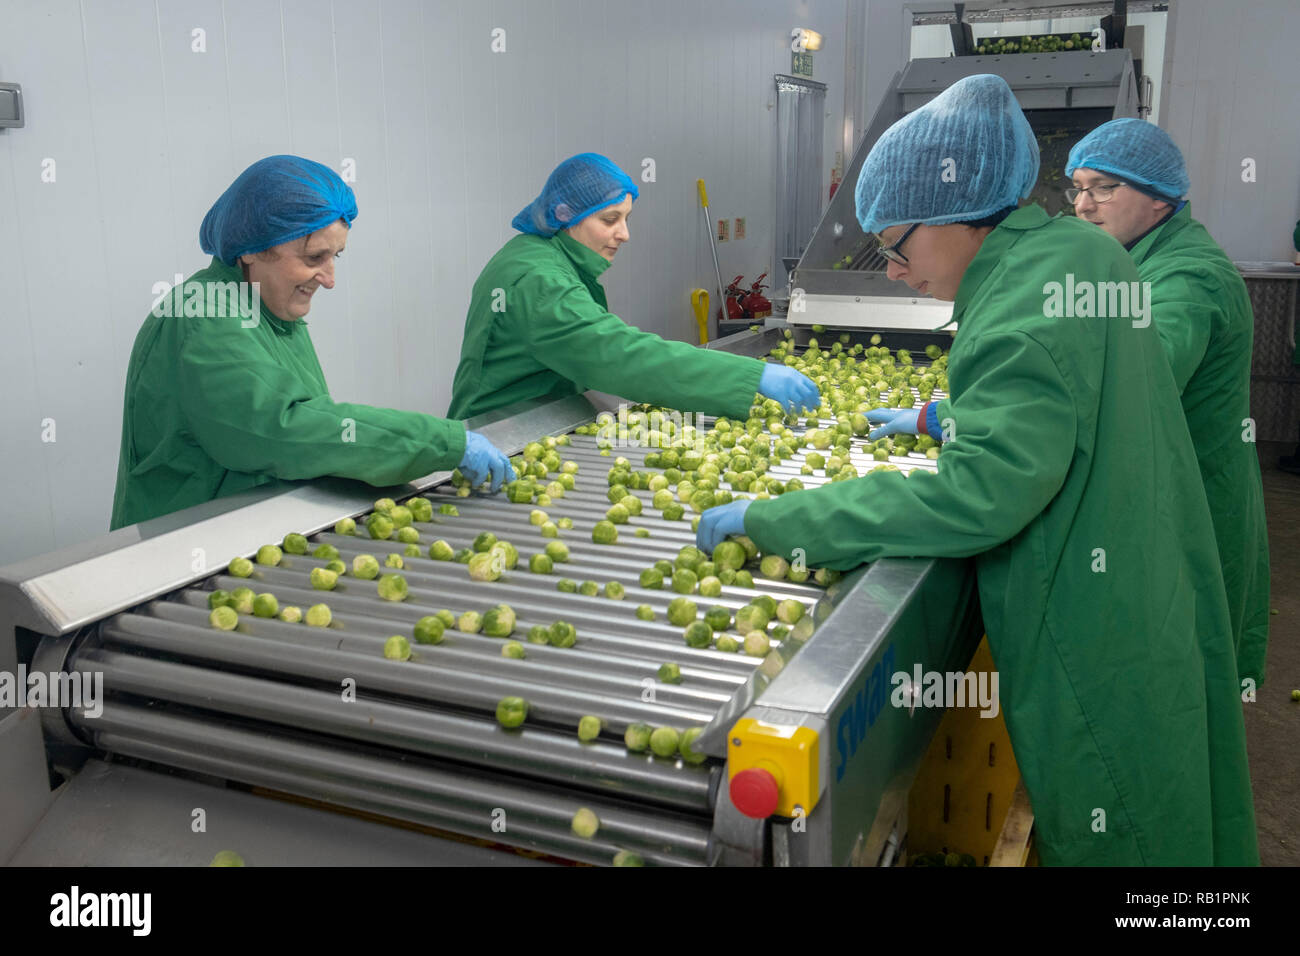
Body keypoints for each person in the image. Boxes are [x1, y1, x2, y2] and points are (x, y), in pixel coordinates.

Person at [697, 75, 1258, 866]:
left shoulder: (1017, 318)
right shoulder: (1080, 253)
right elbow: (1070, 411)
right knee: (1174, 821)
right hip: (1153, 590)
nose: (891, 270)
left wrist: (782, 519)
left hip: (1099, 638)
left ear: (961, 215)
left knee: (1124, 837)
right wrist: (946, 416)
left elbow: (978, 498)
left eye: (895, 245)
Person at [111, 155, 512, 530]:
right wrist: (442, 442)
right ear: (252, 250)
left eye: (337, 255)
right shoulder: (201, 317)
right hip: (184, 557)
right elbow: (286, 429)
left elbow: (315, 420)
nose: (330, 278)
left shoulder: (269, 308)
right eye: (314, 257)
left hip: (247, 534)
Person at [1065, 119, 1270, 687]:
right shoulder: (1139, 260)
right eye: (1078, 188)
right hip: (1163, 494)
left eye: (1104, 187)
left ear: (1158, 197)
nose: (1085, 204)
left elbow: (1128, 379)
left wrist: (950, 417)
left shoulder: (1188, 275)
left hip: (1191, 502)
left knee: (1181, 688)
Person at [447, 153, 819, 422]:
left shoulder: (547, 258)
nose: (624, 234)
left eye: (626, 218)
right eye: (610, 220)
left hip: (541, 417)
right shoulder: (537, 279)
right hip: (502, 432)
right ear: (565, 216)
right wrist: (750, 376)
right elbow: (618, 355)